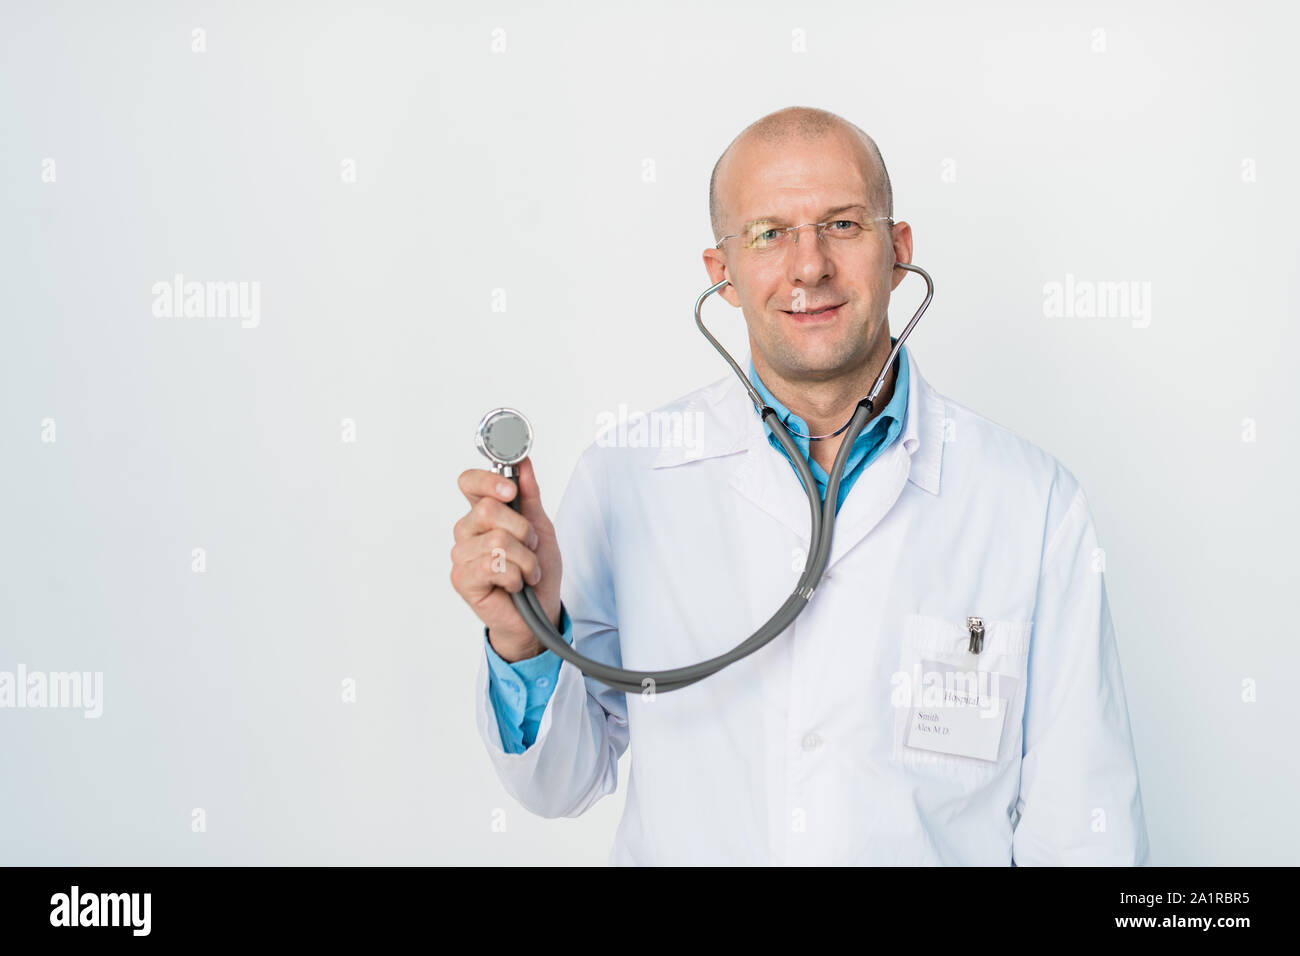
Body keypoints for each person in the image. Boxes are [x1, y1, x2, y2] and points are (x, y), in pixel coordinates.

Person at [450, 106, 1150, 865]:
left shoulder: (1031, 503)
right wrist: (524, 638)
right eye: (768, 233)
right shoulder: (628, 479)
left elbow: (1085, 830)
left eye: (843, 225)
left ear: (898, 251)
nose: (809, 266)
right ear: (722, 277)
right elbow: (560, 784)